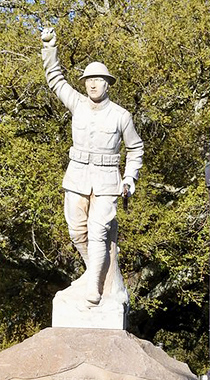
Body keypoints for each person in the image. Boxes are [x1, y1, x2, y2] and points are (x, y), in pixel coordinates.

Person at [41, 26, 144, 306]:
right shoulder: (77, 104)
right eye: (88, 80)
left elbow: (135, 148)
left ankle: (94, 290)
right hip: (76, 176)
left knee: (99, 230)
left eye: (98, 79)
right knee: (77, 231)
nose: (92, 84)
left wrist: (130, 178)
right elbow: (54, 78)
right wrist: (50, 48)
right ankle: (95, 274)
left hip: (107, 179)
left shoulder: (122, 116)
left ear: (108, 83)